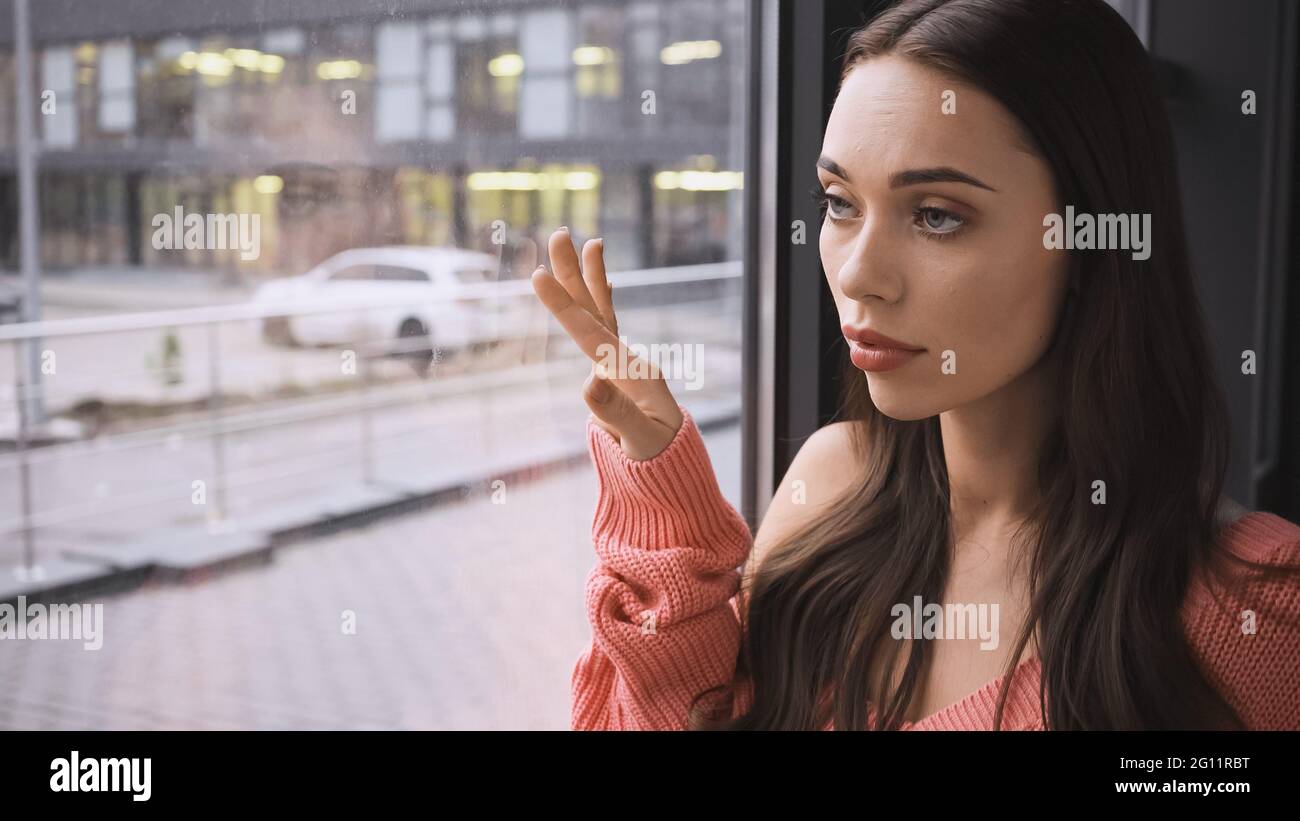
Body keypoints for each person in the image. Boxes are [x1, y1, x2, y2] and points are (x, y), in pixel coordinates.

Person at [530, 0, 1300, 730]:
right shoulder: (831, 485)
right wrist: (663, 499)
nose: (860, 274)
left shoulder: (1256, 609)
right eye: (839, 202)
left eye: (936, 215)